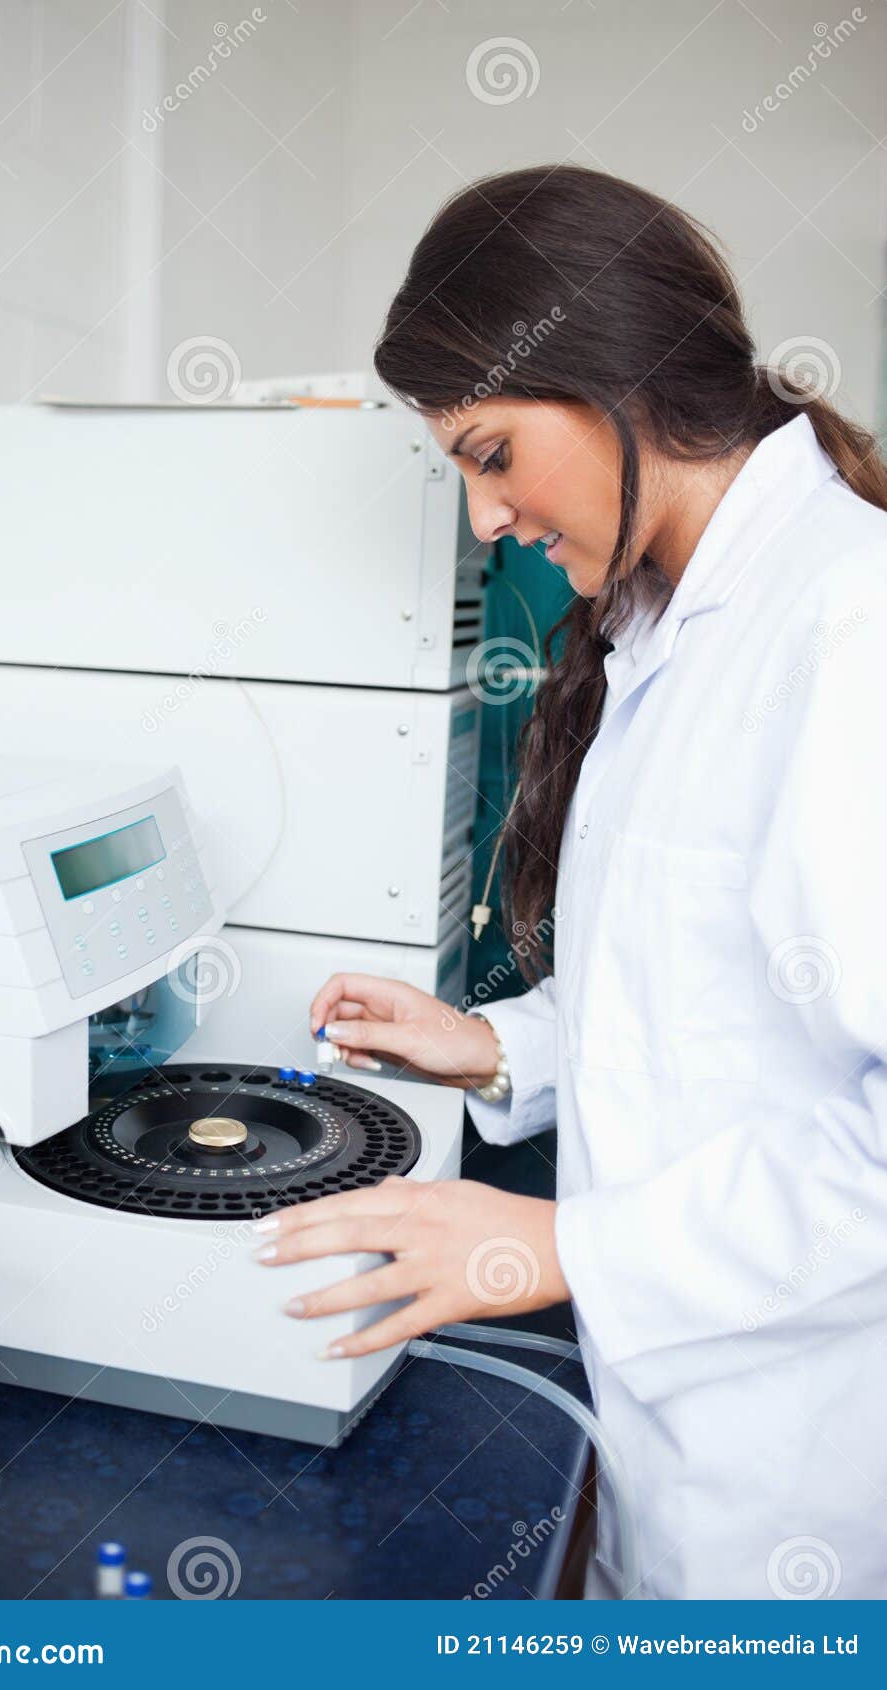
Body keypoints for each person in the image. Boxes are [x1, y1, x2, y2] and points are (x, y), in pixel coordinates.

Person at [253, 166, 887, 1600]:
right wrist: (496, 1047)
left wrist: (569, 1246)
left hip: (809, 1496)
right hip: (671, 1457)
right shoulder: (666, 631)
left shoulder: (853, 623)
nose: (484, 519)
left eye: (491, 455)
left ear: (616, 372)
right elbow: (712, 1010)